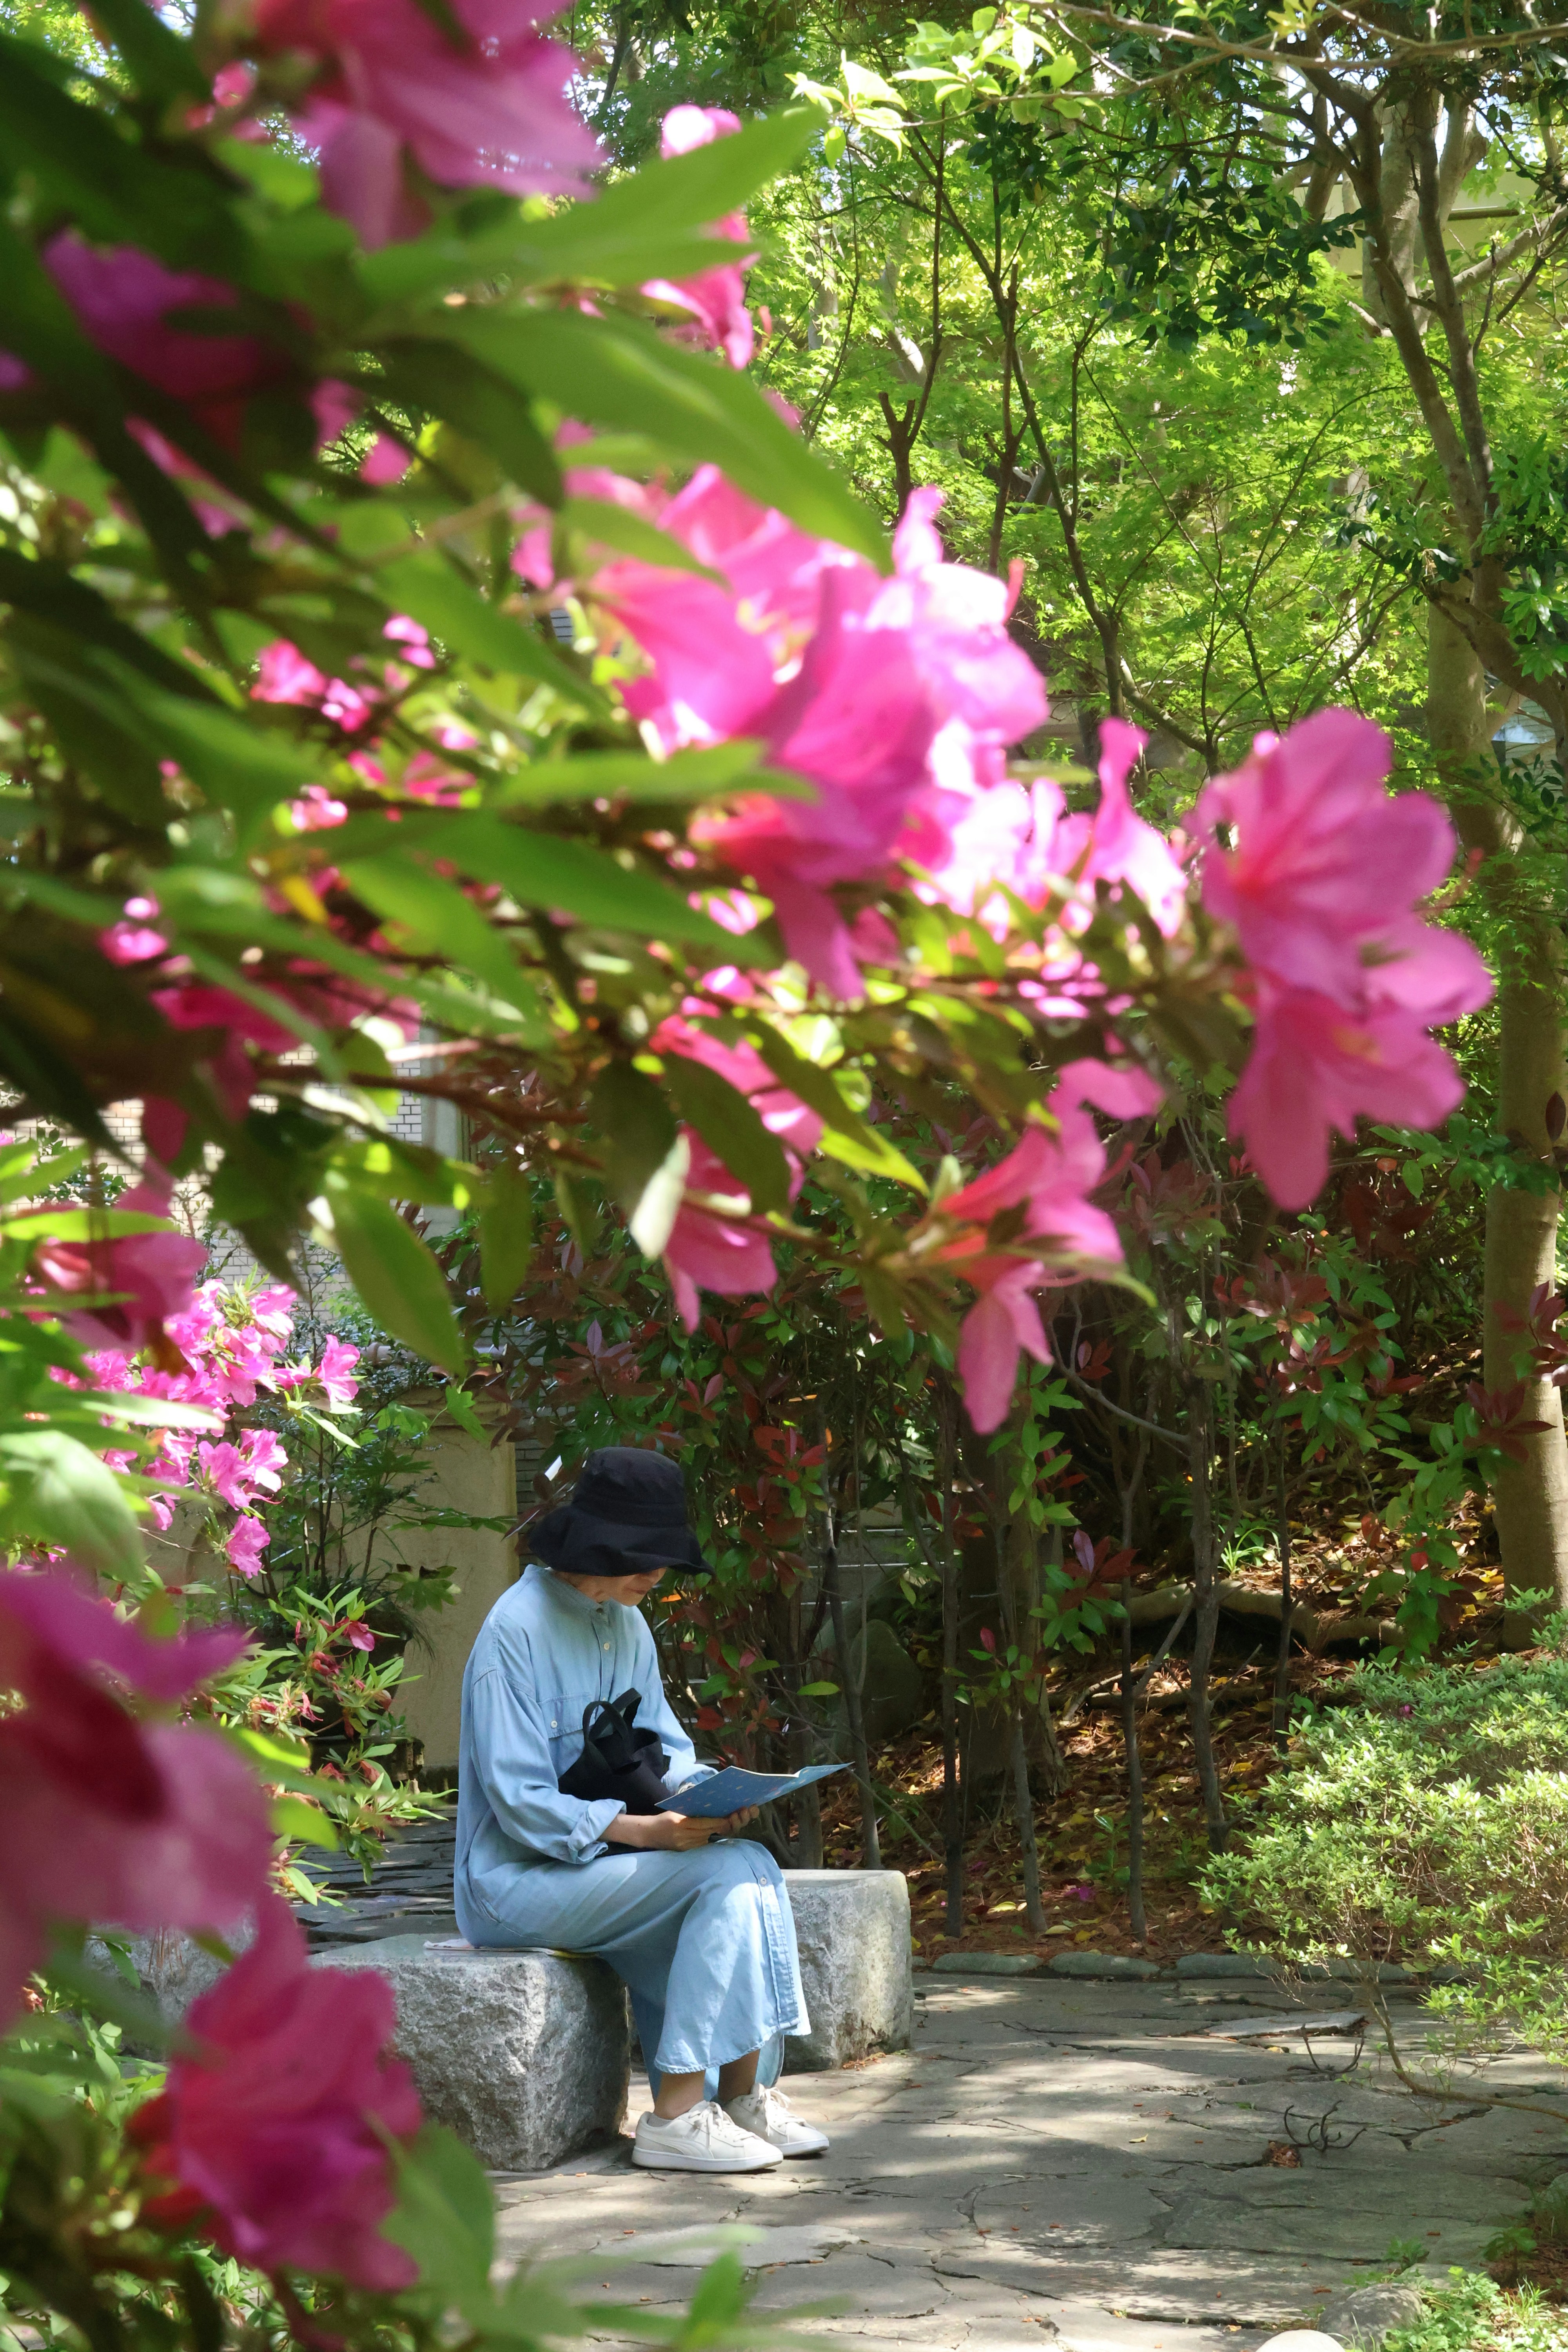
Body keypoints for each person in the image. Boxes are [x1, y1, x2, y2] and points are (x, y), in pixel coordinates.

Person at [454, 1445, 830, 2174]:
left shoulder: (624, 1621)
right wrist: (646, 1832)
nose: (657, 1575)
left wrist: (710, 1802)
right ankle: (679, 2118)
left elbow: (665, 1750)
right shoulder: (514, 1631)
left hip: (608, 1869)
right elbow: (519, 1801)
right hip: (513, 1884)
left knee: (744, 1860)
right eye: (642, 1558)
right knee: (725, 1880)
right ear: (596, 1547)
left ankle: (739, 2100)